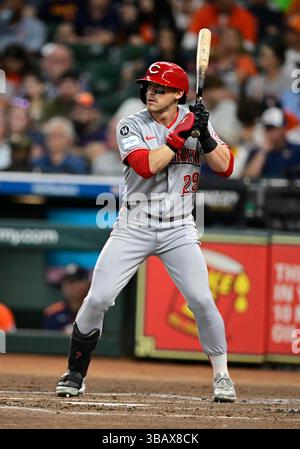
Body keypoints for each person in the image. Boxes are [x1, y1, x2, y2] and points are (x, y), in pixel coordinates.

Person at [56, 61, 236, 403]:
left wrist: (206, 136)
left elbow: (226, 167)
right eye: (149, 87)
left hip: (179, 228)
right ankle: (75, 372)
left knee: (201, 300)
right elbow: (146, 164)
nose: (151, 92)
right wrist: (181, 133)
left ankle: (222, 375)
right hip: (133, 225)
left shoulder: (196, 121)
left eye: (160, 88)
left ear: (179, 93)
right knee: (97, 298)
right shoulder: (130, 124)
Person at [242, 106, 300, 178]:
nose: (268, 133)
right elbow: (247, 178)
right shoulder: (256, 152)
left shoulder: (296, 150)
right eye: (267, 129)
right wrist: (263, 152)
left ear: (283, 129)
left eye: (272, 129)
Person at [43, 264, 91, 334]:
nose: (69, 286)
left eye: (74, 281)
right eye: (66, 282)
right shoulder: (52, 312)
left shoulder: (94, 311)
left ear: (86, 284)